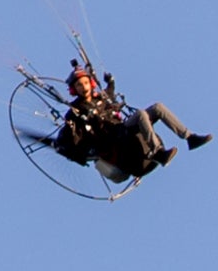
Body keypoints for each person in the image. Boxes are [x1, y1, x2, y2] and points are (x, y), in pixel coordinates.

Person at [55, 59, 209, 183]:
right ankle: (157, 152)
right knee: (141, 114)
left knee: (158, 107)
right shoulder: (75, 110)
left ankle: (190, 138)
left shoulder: (102, 97)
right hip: (113, 139)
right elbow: (70, 134)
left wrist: (111, 82)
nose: (84, 87)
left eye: (86, 83)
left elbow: (110, 92)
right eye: (79, 85)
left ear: (91, 83)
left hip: (123, 129)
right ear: (74, 89)